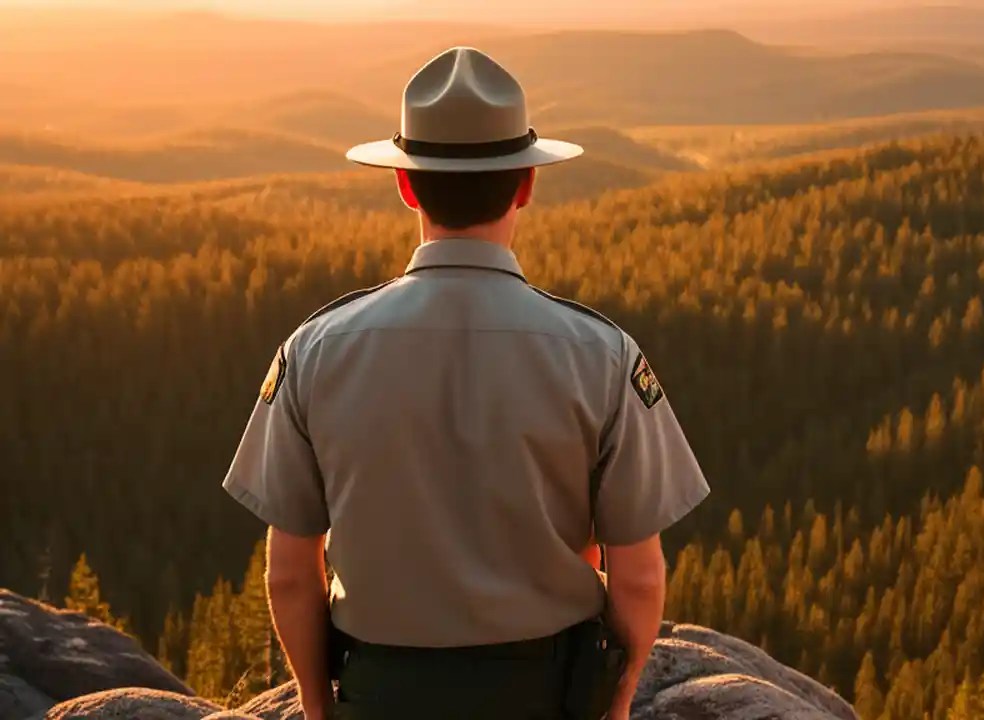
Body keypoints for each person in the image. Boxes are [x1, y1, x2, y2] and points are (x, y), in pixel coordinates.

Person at [221, 46, 710, 720]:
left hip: (380, 697)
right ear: (526, 184)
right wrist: (616, 703)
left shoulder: (315, 350)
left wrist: (315, 704)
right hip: (546, 696)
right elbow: (639, 575)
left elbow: (288, 574)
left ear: (406, 185)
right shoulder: (600, 354)